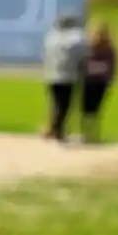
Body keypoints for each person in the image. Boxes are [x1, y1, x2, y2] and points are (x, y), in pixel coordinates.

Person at [42, 14, 87, 142]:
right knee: (64, 105)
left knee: (55, 103)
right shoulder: (76, 39)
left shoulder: (51, 37)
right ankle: (58, 131)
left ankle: (52, 128)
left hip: (51, 75)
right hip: (68, 76)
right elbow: (82, 55)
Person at [81, 22, 117, 144]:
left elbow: (112, 65)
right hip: (88, 81)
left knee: (96, 110)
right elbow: (82, 63)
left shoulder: (109, 49)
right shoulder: (87, 47)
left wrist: (110, 79)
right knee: (86, 109)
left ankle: (93, 134)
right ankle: (85, 134)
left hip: (101, 82)